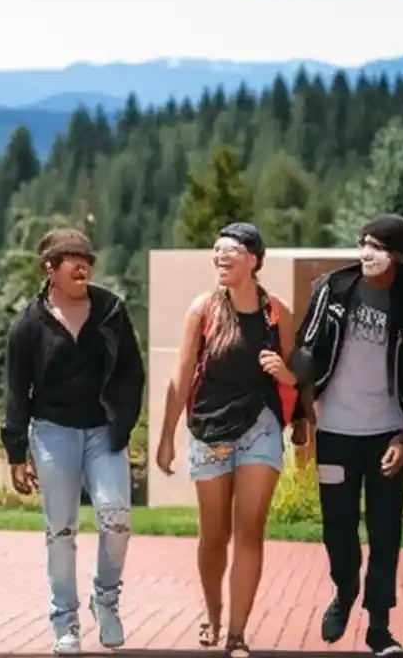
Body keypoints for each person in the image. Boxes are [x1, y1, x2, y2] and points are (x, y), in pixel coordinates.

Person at [155, 222, 307, 658]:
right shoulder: (202, 310)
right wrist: (167, 436)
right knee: (213, 535)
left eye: (231, 251)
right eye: (216, 250)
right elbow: (181, 376)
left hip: (260, 426)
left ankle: (237, 633)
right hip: (209, 430)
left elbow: (297, 374)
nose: (221, 257)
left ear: (254, 260)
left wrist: (286, 375)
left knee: (249, 531)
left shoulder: (277, 312)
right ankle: (213, 612)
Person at [293, 214, 403, 657]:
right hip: (335, 431)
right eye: (363, 243)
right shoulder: (333, 292)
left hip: (386, 436)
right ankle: (345, 587)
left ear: (398, 255)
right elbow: (306, 350)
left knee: (385, 532)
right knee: (337, 528)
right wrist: (303, 413)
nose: (366, 252)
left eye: (377, 246)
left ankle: (379, 626)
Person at [1, 229, 145, 655]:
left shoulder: (110, 311)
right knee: (59, 531)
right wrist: (15, 452)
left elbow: (132, 373)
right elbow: (16, 392)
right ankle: (65, 623)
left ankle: (106, 600)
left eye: (87, 258)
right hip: (52, 432)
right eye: (70, 258)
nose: (82, 265)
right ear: (50, 267)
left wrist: (121, 424)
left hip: (105, 433)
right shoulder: (28, 324)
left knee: (116, 518)